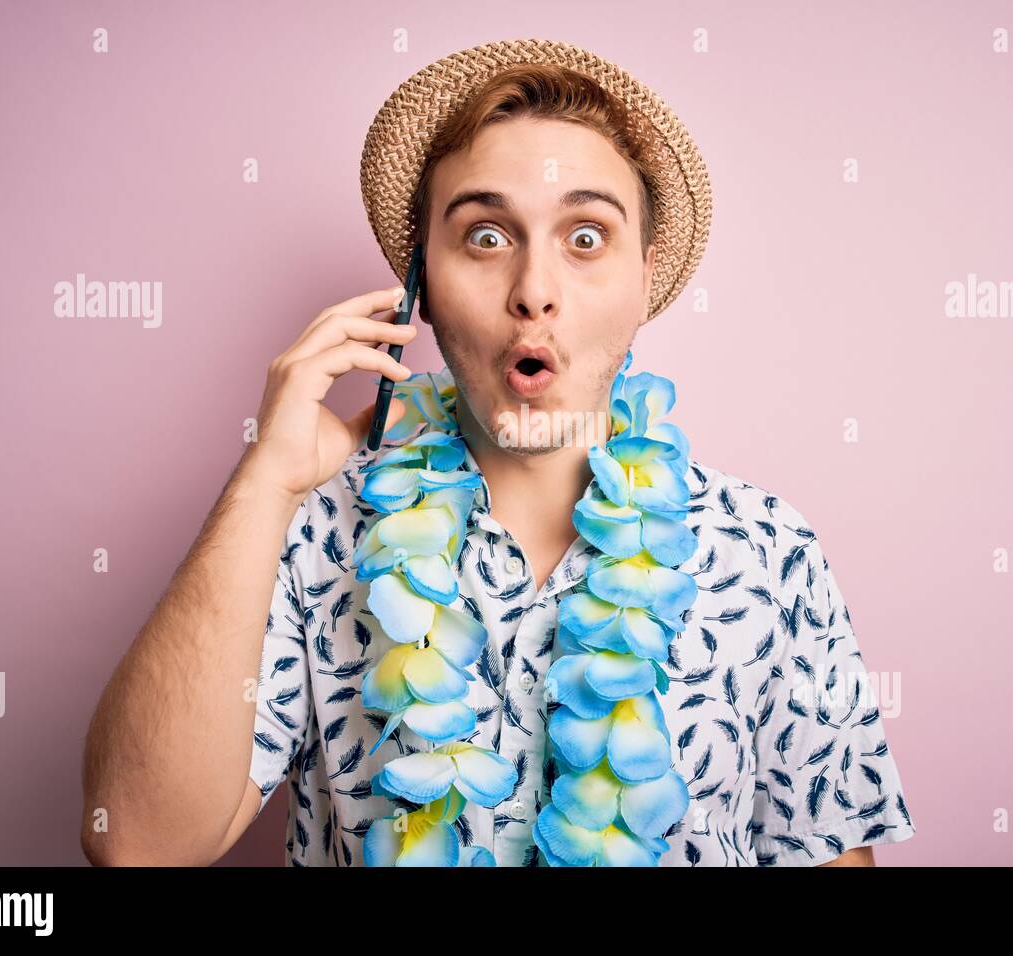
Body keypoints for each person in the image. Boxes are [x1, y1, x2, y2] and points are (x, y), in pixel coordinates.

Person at [81, 38, 916, 867]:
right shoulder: (312, 535)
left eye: (586, 237)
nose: (534, 291)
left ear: (644, 280)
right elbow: (138, 843)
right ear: (422, 283)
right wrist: (264, 483)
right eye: (486, 236)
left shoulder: (768, 552)